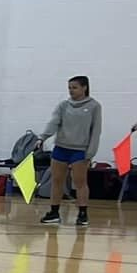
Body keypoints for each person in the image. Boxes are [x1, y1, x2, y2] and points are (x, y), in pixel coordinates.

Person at [39, 75, 103, 227]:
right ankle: (54, 212)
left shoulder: (94, 106)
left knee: (80, 182)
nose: (71, 91)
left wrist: (90, 153)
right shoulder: (63, 105)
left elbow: (96, 131)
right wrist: (42, 137)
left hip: (80, 151)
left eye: (74, 88)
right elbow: (53, 122)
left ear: (84, 87)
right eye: (69, 88)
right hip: (61, 148)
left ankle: (82, 214)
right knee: (57, 181)